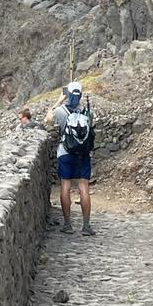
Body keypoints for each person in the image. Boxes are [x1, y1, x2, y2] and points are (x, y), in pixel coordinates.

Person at [47, 81, 95, 235]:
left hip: (65, 152)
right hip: (83, 154)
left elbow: (47, 120)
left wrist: (58, 101)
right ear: (80, 95)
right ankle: (86, 226)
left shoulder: (60, 111)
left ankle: (67, 224)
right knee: (83, 187)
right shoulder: (87, 112)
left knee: (65, 186)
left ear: (68, 94)